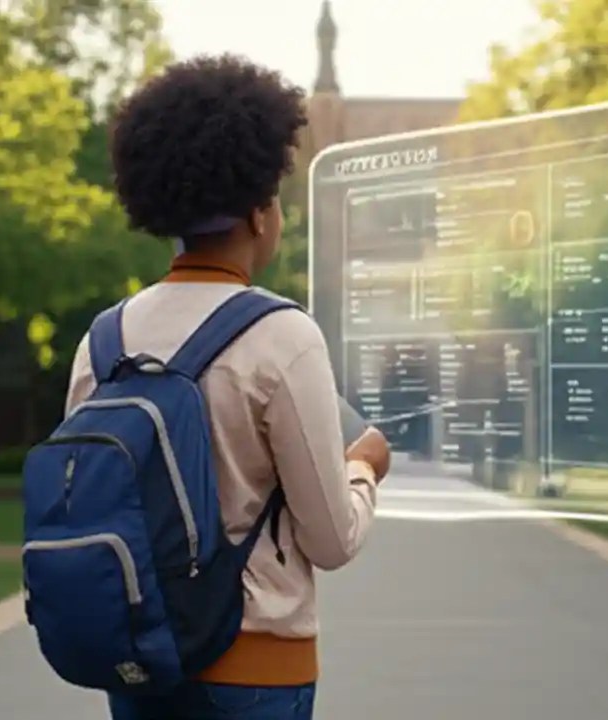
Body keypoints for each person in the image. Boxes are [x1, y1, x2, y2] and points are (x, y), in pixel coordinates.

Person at [62, 54, 392, 720]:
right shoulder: (282, 336)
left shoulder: (104, 341)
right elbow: (330, 541)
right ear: (259, 212)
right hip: (257, 671)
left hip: (138, 663)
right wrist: (362, 468)